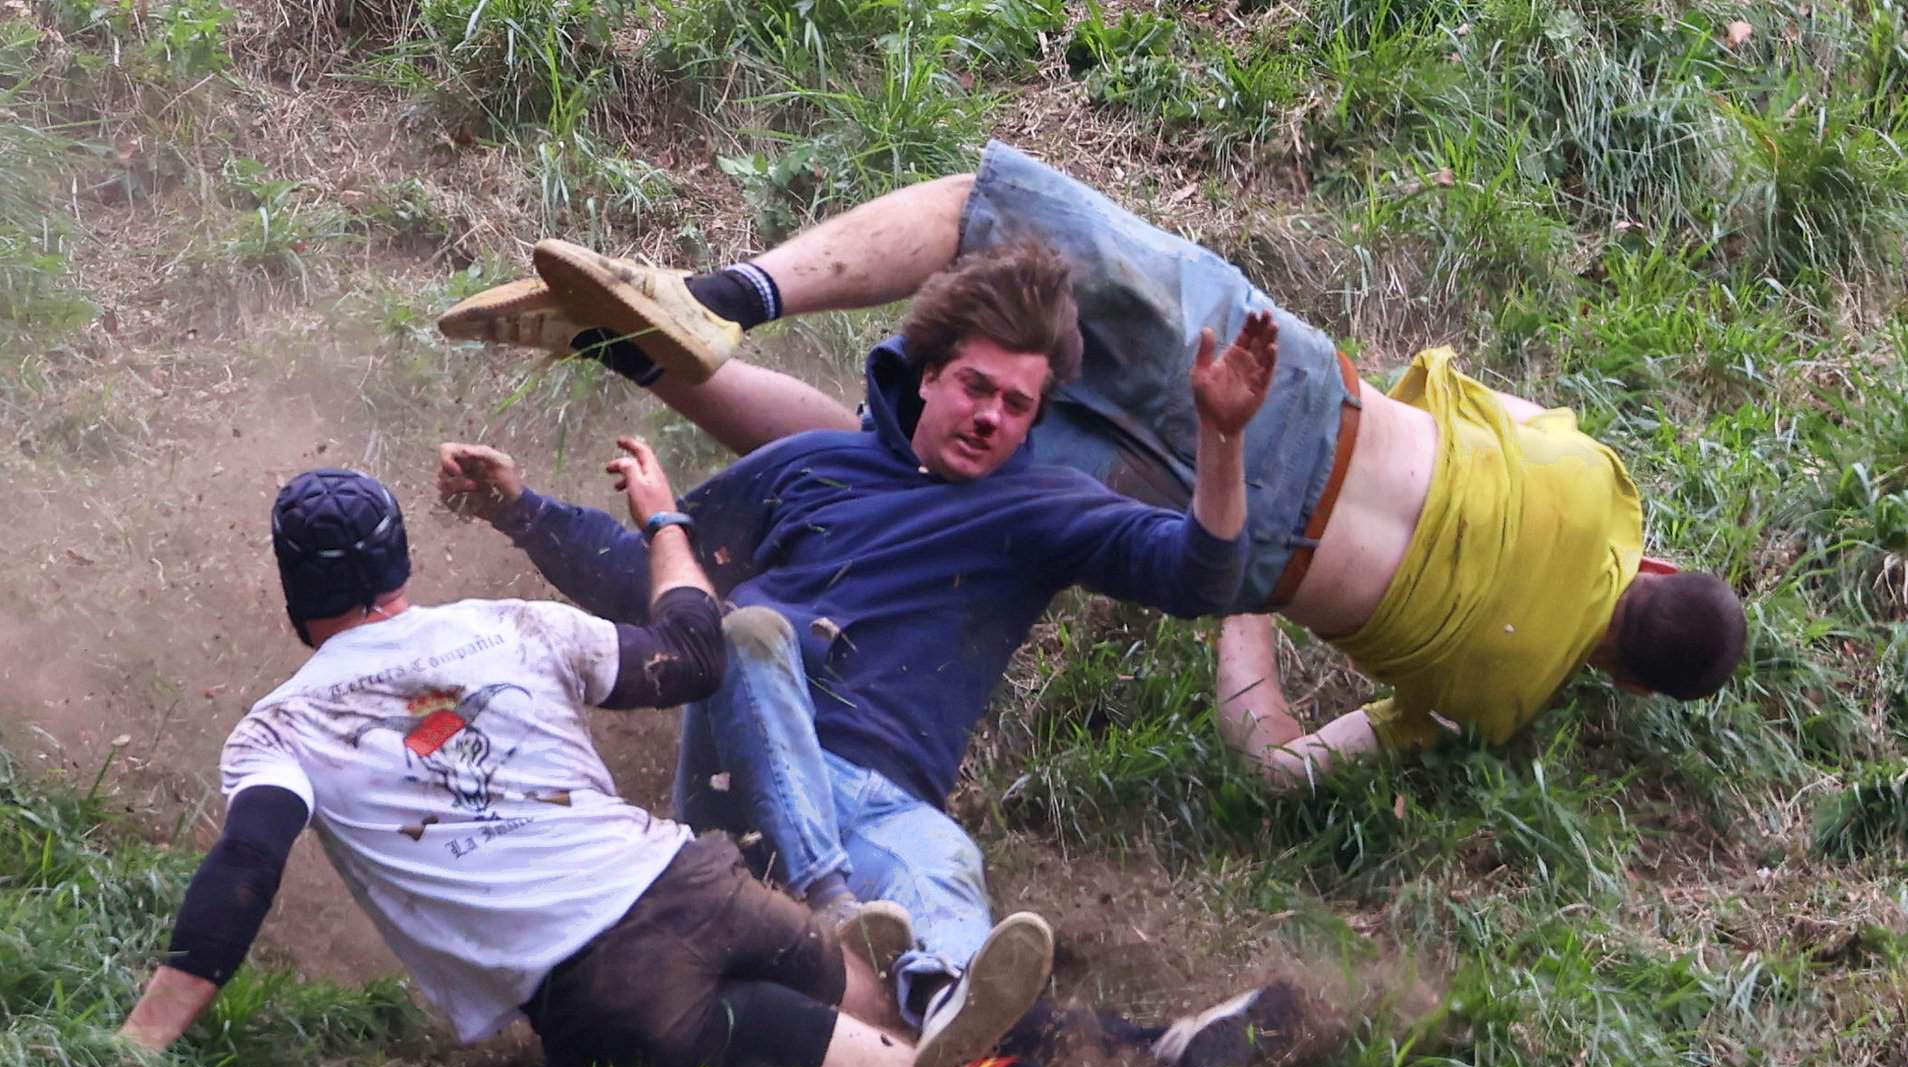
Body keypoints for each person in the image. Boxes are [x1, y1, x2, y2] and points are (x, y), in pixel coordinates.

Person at [438, 140, 1748, 789]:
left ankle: (726, 294)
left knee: (995, 213)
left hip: (1300, 387)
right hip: (1249, 536)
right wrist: (1246, 603)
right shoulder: (1494, 707)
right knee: (889, 473)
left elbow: (1446, 385)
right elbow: (1278, 757)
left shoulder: (1602, 486)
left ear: (1659, 566)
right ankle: (629, 346)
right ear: (1629, 679)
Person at [115, 463, 1288, 1067]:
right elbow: (691, 651)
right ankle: (1155, 1051)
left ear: (295, 595)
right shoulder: (502, 627)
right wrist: (663, 519)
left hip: (610, 987)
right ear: (400, 567)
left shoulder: (279, 726)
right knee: (899, 1007)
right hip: (691, 884)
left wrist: (139, 1042)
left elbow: (242, 875)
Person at [435, 238, 1278, 1067]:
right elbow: (645, 579)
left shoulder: (1045, 510)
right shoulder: (811, 466)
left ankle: (1065, 1031)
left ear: (1035, 418)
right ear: (929, 376)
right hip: (742, 784)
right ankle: (832, 906)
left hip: (884, 809)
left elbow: (1201, 577)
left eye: (1017, 404)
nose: (991, 416)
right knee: (751, 634)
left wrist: (1222, 439)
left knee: (947, 871)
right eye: (976, 387)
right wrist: (518, 507)